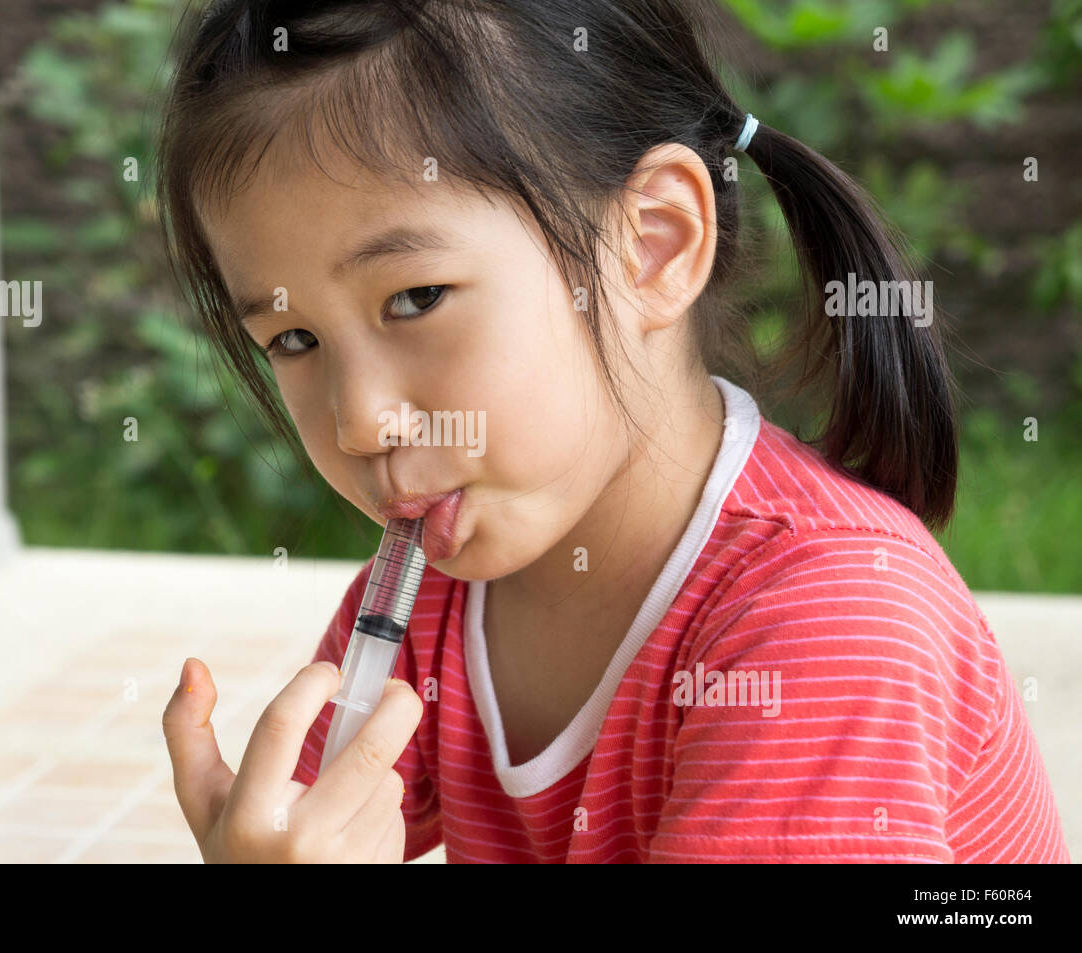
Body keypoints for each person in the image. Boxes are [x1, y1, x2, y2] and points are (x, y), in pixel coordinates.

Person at [158, 0, 1069, 862]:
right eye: (294, 338)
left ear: (654, 244)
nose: (359, 420)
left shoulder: (827, 622)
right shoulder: (428, 599)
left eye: (416, 298)